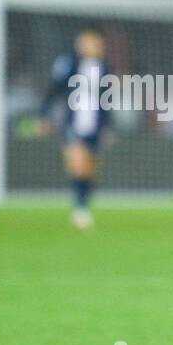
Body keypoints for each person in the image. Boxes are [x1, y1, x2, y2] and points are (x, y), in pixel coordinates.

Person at [40, 30, 110, 230]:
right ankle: (80, 210)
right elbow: (53, 90)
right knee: (79, 165)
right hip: (73, 125)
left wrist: (108, 127)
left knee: (91, 170)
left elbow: (107, 101)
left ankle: (84, 205)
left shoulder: (105, 68)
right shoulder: (69, 65)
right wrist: (44, 116)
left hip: (95, 127)